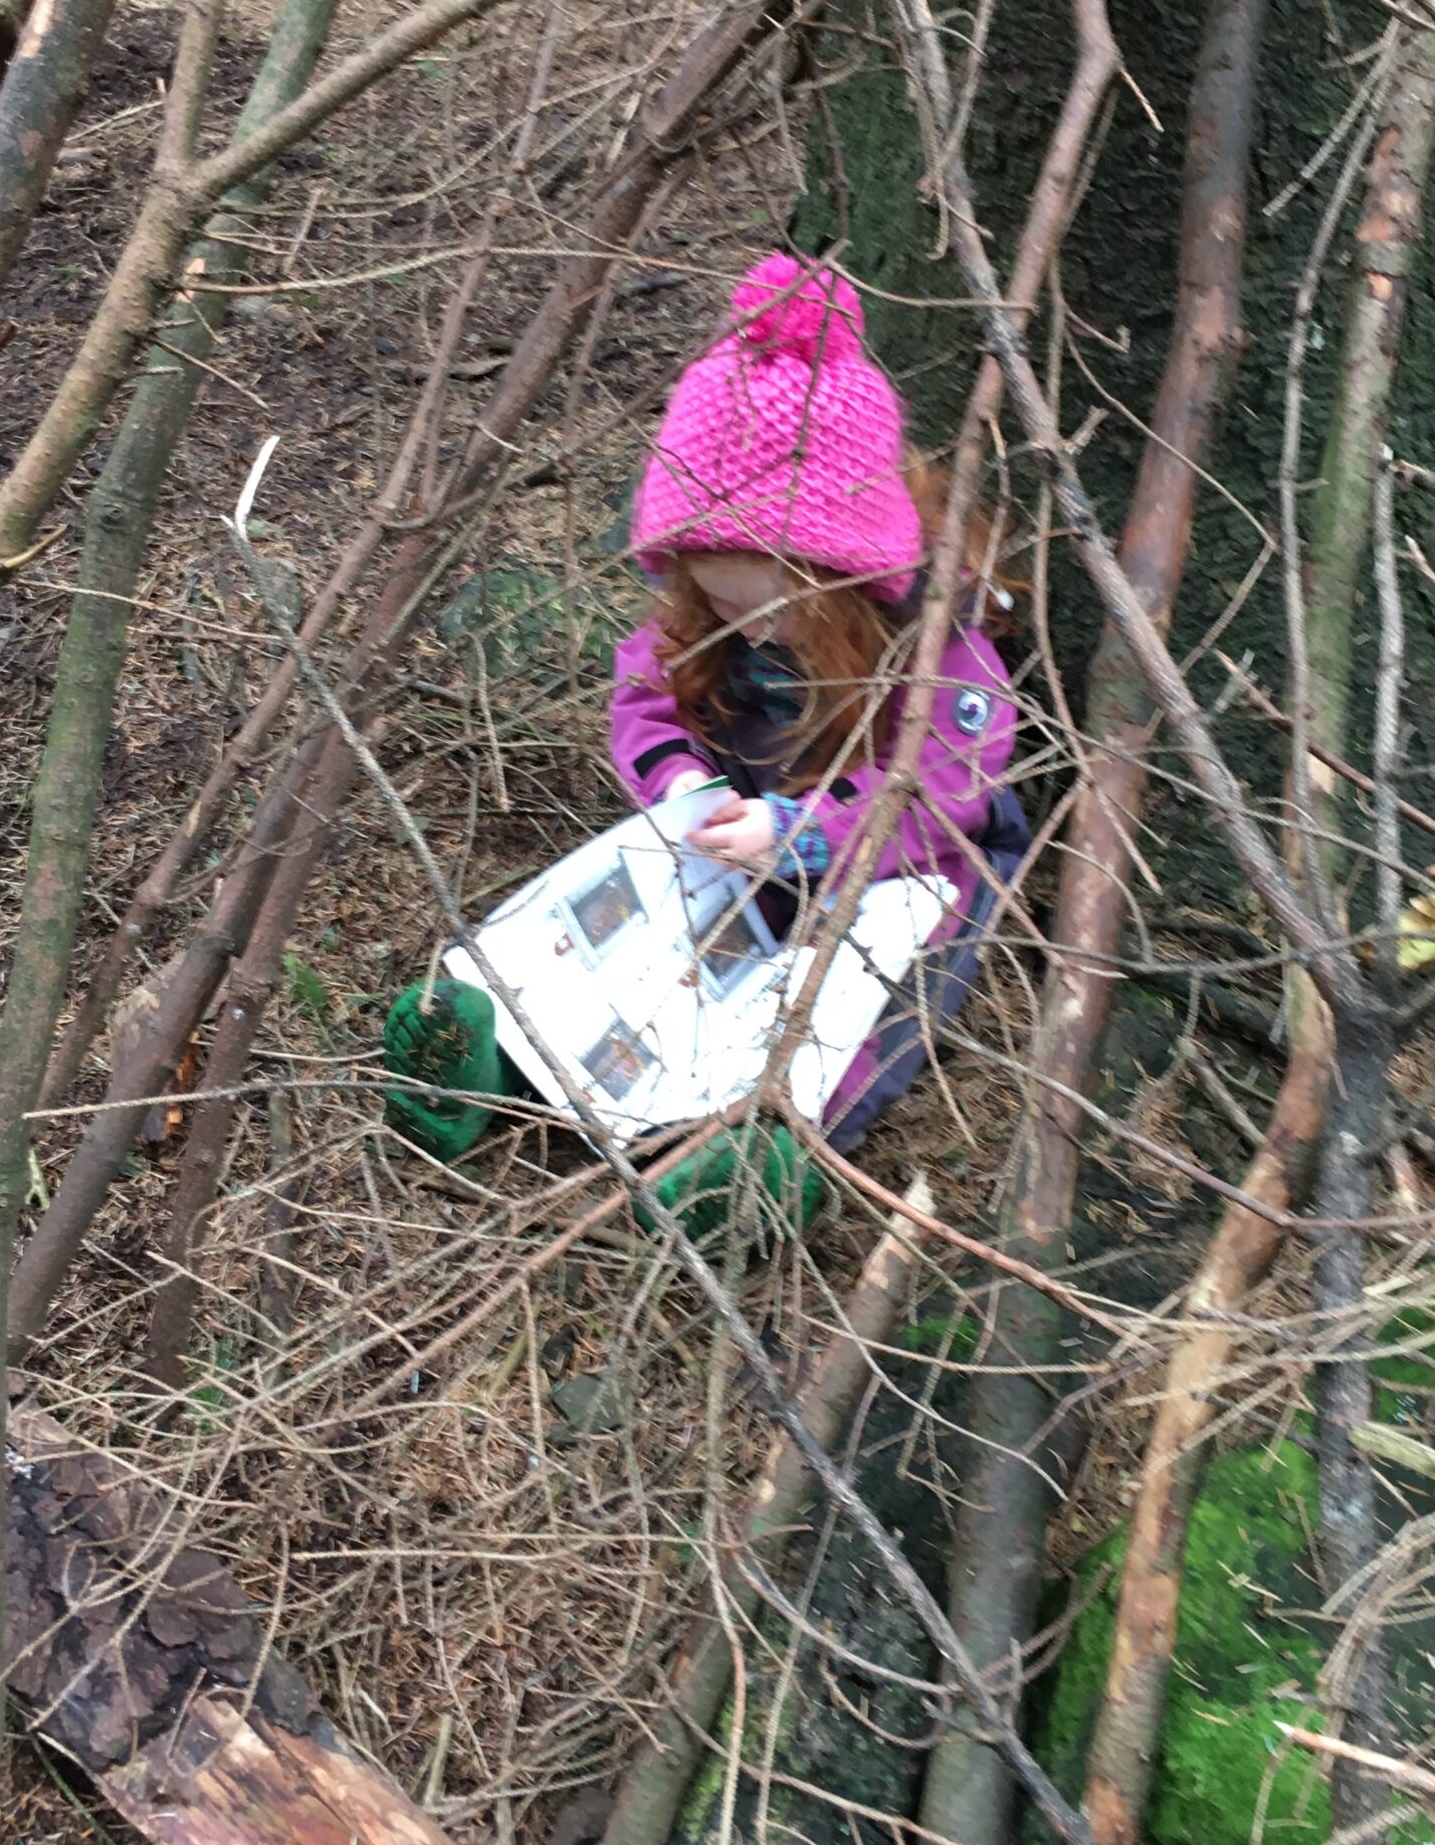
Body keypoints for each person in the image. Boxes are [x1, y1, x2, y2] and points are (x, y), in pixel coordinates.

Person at [384, 253, 1028, 1182]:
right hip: (736, 840)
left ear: (848, 576)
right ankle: (492, 1043)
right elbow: (646, 702)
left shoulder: (937, 633)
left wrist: (807, 835)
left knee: (865, 985)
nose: (751, 629)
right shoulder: (707, 615)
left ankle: (763, 1152)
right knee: (621, 922)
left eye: (776, 608)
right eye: (724, 603)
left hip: (889, 859)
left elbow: (949, 792)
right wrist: (680, 784)